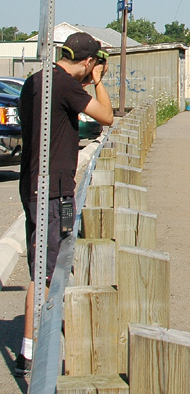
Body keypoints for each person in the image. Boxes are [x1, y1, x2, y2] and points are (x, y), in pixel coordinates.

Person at [15, 32, 114, 377]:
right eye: (94, 66)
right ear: (88, 62)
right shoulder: (65, 85)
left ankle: (30, 346)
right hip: (53, 192)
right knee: (46, 271)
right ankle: (31, 355)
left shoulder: (33, 82)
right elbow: (106, 116)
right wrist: (98, 83)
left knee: (44, 264)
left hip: (33, 186)